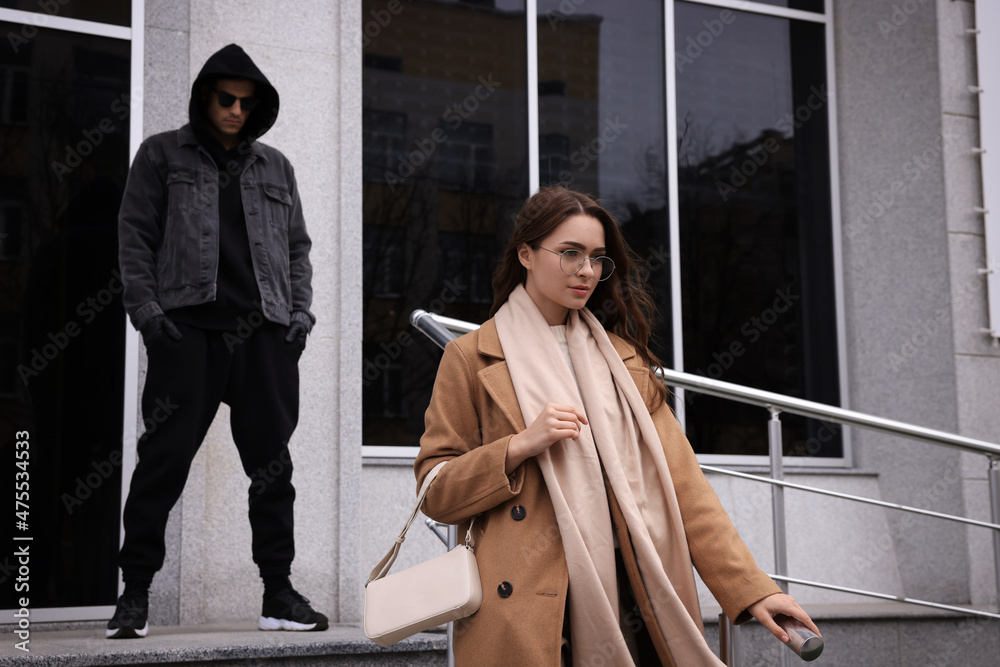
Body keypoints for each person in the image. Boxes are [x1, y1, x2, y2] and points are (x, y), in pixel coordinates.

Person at [414, 186, 821, 665]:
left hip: (633, 592)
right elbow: (435, 490)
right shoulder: (472, 356)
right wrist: (518, 446)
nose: (586, 271)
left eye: (596, 258)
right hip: (527, 607)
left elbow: (686, 489)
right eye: (569, 254)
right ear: (525, 253)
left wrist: (751, 589)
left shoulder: (622, 360)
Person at [110, 43, 326, 638]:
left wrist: (300, 320)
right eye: (226, 99)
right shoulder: (161, 155)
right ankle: (134, 596)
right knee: (162, 461)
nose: (235, 110)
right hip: (188, 332)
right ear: (205, 95)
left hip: (265, 336)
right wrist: (150, 316)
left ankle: (277, 595)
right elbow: (135, 238)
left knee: (271, 469)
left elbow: (297, 248)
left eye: (246, 102)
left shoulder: (275, 166)